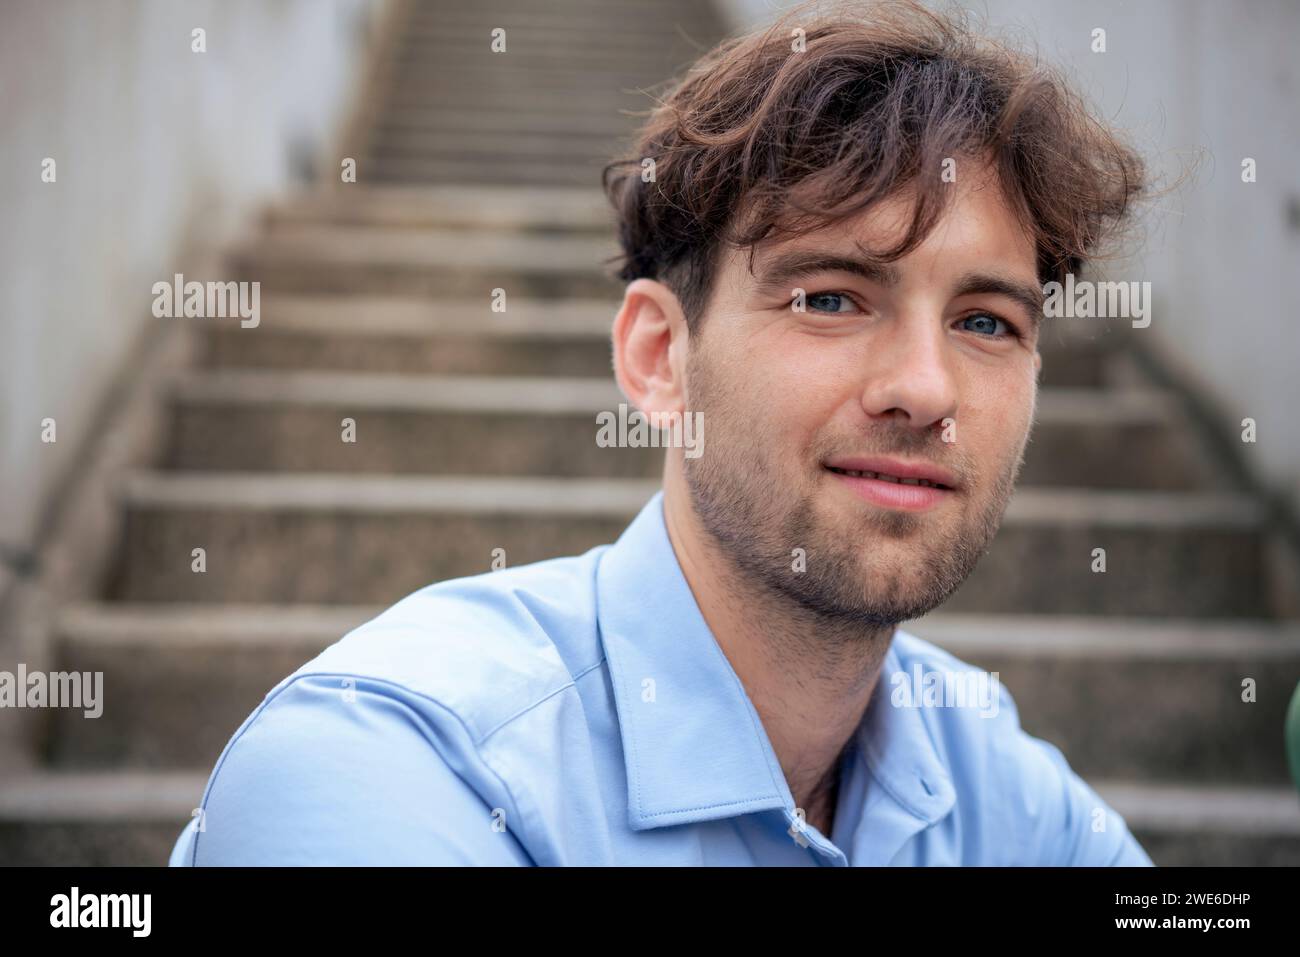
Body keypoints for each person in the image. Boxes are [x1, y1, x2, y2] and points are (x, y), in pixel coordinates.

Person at [170, 0, 1152, 866]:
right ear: (656, 357)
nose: (924, 389)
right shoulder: (393, 765)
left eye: (986, 322)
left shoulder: (1008, 795)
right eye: (830, 298)